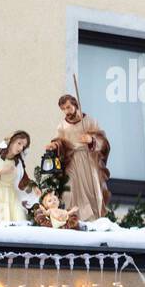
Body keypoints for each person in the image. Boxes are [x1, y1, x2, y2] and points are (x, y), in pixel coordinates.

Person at [43, 94, 110, 222]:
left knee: (92, 190)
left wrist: (91, 140)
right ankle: (70, 217)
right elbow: (60, 142)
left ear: (75, 105)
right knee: (69, 189)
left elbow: (103, 141)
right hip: (71, 160)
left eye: (68, 107)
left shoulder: (89, 121)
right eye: (63, 109)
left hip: (88, 159)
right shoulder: (62, 126)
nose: (66, 111)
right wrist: (54, 146)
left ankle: (93, 219)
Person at [0, 131, 39, 223]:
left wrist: (34, 187)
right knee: (0, 221)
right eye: (19, 143)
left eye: (23, 146)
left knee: (17, 221)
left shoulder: (18, 163)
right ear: (11, 141)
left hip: (12, 195)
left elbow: (24, 179)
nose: (20, 148)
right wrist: (1, 172)